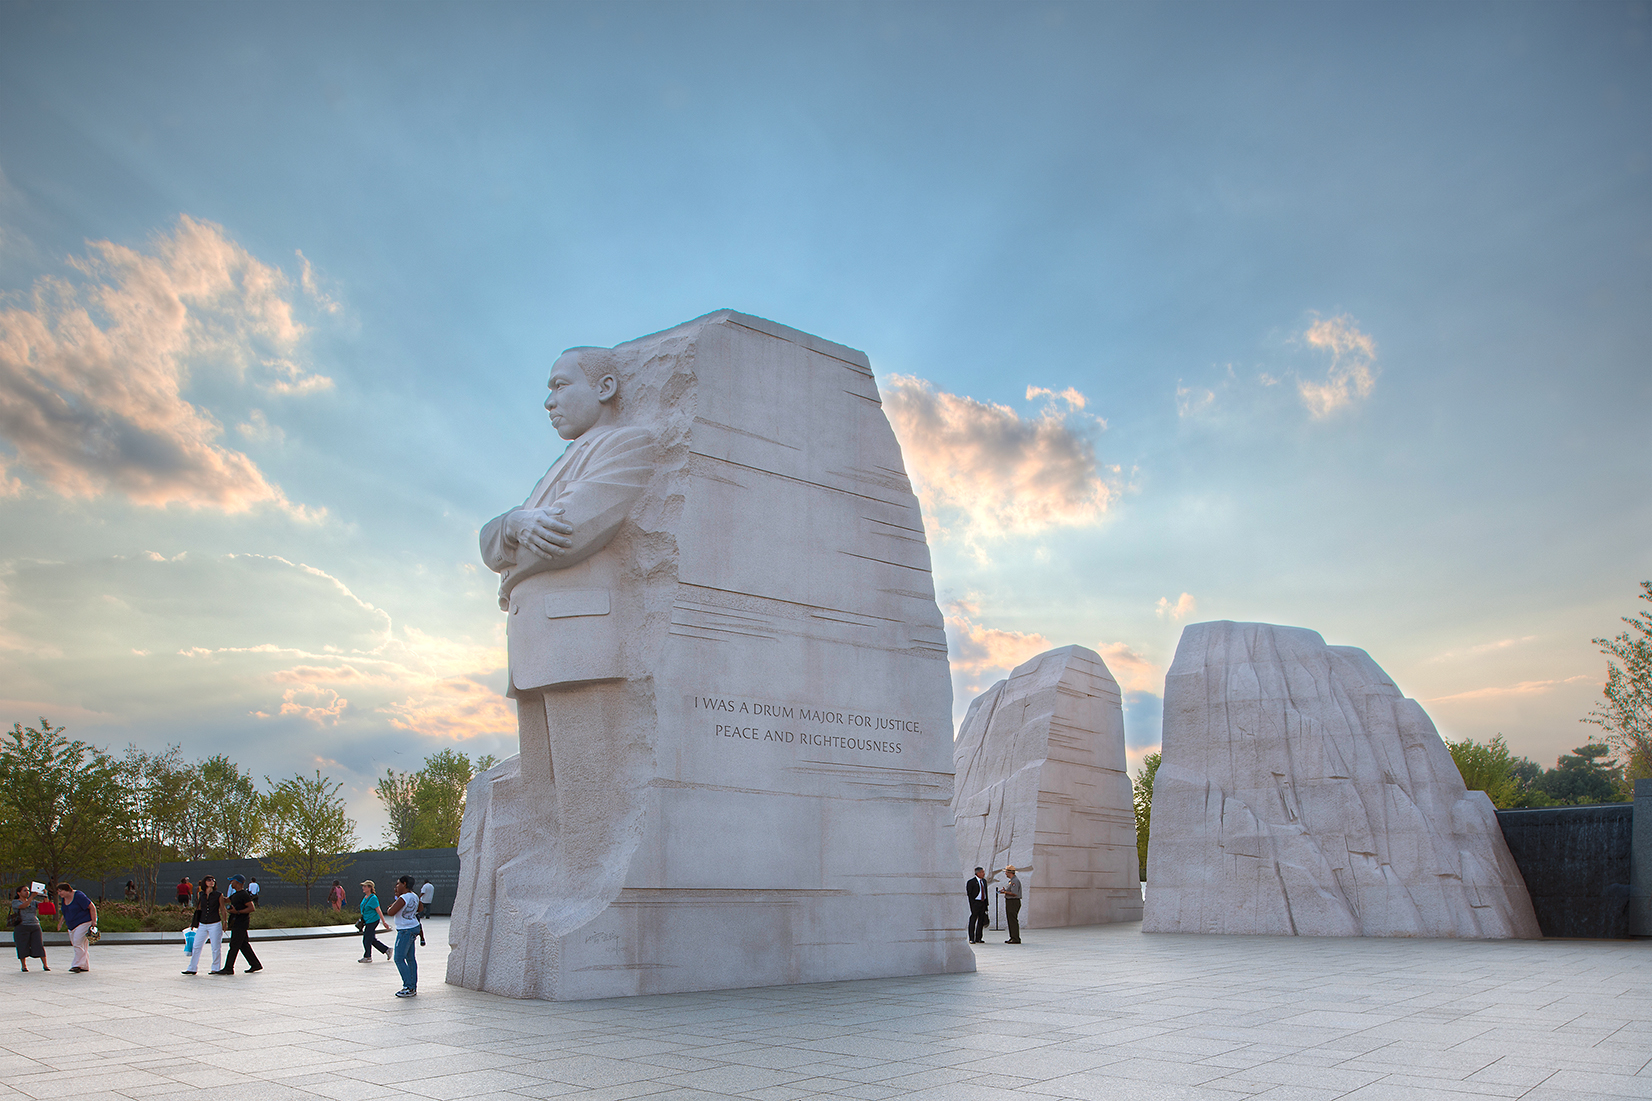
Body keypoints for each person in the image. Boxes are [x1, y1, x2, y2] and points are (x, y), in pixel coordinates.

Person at [212, 874, 261, 975]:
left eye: (232, 881)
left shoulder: (244, 894)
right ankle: (255, 964)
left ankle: (229, 968)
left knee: (234, 945)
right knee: (243, 945)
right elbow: (226, 900)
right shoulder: (236, 894)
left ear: (238, 882)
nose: (231, 883)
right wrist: (215, 894)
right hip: (236, 922)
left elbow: (251, 908)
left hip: (241, 923)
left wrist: (237, 912)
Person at [383, 875, 422, 998]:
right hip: (413, 927)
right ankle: (413, 986)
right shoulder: (414, 896)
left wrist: (392, 906)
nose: (396, 886)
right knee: (410, 958)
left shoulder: (403, 897)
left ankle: (408, 986)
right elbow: (420, 908)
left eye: (398, 884)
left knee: (399, 958)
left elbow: (390, 912)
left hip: (405, 930)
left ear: (404, 884)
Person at [184, 874, 224, 975]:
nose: (211, 881)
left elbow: (222, 909)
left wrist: (225, 922)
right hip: (202, 923)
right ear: (205, 882)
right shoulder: (201, 894)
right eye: (209, 880)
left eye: (213, 880)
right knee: (196, 945)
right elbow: (199, 908)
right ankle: (192, 968)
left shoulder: (218, 895)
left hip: (214, 923)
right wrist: (194, 922)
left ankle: (215, 968)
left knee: (215, 946)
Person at [55, 882, 96, 972]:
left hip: (84, 922)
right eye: (58, 892)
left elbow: (92, 907)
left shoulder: (78, 895)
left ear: (67, 890)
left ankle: (77, 965)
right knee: (80, 944)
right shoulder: (64, 899)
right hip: (72, 925)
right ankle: (85, 966)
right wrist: (60, 923)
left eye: (61, 891)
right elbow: (65, 912)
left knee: (77, 942)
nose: (59, 893)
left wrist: (94, 921)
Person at [10, 885, 48, 972]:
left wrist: (45, 896)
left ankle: (45, 965)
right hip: (22, 925)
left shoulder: (33, 902)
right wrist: (31, 897)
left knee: (39, 945)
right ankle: (24, 966)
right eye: (24, 891)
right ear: (18, 893)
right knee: (22, 945)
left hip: (34, 925)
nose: (27, 892)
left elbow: (44, 905)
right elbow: (24, 906)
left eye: (28, 891)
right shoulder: (15, 902)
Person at [358, 881, 390, 962]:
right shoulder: (366, 897)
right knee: (371, 939)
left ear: (370, 888)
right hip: (367, 920)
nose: (363, 888)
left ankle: (367, 956)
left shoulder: (373, 898)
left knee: (366, 939)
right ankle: (387, 950)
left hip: (372, 920)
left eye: (365, 886)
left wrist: (384, 922)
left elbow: (378, 910)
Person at [997, 865, 1023, 944]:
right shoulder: (1012, 880)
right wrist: (1005, 890)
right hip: (1010, 901)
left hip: (1013, 902)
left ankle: (1015, 938)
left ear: (1009, 872)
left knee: (1013, 920)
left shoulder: (1015, 881)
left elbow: (1014, 893)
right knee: (1010, 920)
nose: (1005, 873)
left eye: (1006, 872)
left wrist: (1004, 892)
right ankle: (1012, 937)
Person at [966, 866, 990, 944]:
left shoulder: (984, 881)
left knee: (981, 920)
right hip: (975, 903)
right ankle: (971, 938)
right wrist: (972, 903)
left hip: (982, 902)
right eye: (982, 872)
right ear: (978, 873)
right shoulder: (971, 882)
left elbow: (985, 892)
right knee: (973, 920)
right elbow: (969, 894)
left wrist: (986, 904)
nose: (984, 873)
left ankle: (978, 937)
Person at [417, 878, 434, 946]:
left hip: (424, 899)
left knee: (422, 908)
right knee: (428, 908)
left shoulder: (425, 886)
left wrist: (419, 897)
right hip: (429, 899)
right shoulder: (431, 886)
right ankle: (427, 916)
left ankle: (421, 915)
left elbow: (423, 892)